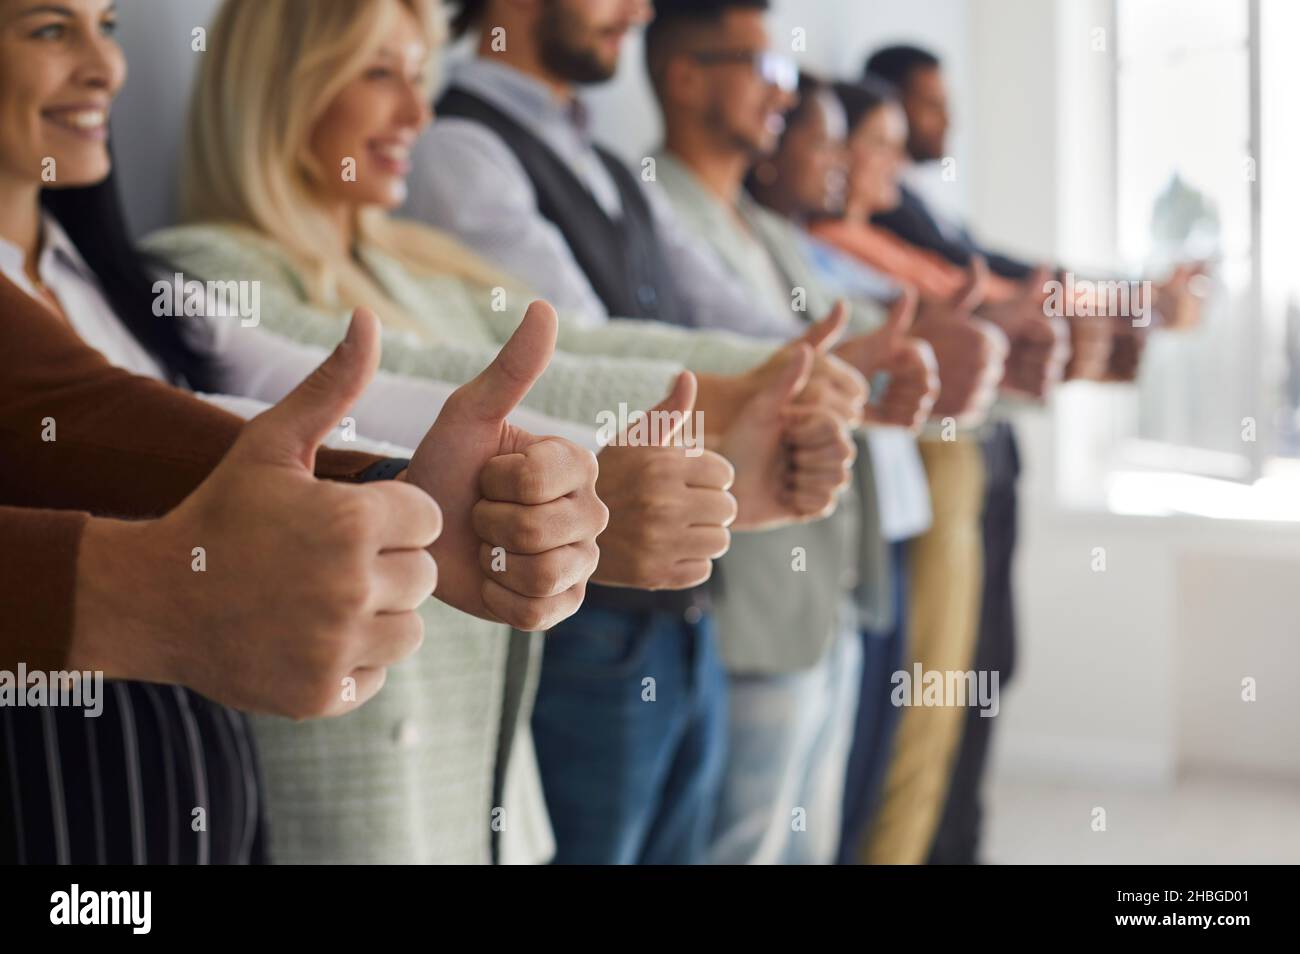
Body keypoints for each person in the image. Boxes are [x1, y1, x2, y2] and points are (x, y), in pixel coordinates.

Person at [145, 0, 858, 865]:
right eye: (381, 74)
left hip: (485, 787)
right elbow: (411, 390)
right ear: (274, 86)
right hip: (358, 786)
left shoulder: (416, 261)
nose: (416, 113)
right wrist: (711, 413)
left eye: (419, 77)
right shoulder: (199, 266)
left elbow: (583, 348)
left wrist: (770, 385)